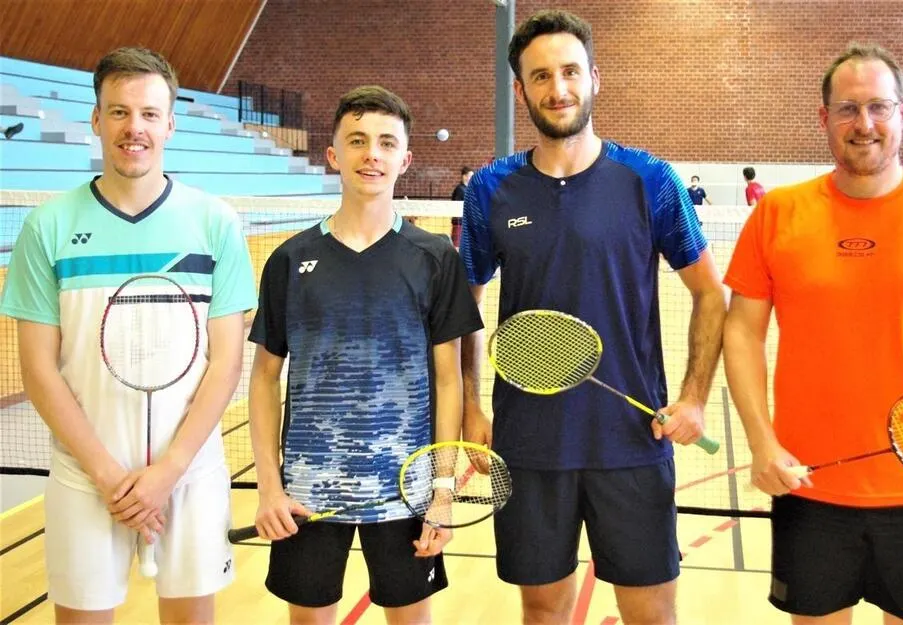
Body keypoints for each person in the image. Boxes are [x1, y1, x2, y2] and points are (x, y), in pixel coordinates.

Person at [723, 42, 903, 625]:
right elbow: (741, 333)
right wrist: (762, 440)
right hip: (810, 487)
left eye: (879, 108)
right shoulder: (778, 214)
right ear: (823, 118)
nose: (864, 124)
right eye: (847, 109)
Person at [459, 10, 726, 624]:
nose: (560, 89)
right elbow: (463, 308)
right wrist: (472, 405)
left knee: (652, 614)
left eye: (571, 71)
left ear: (595, 78)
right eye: (542, 76)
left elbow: (711, 295)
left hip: (632, 439)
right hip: (529, 442)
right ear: (521, 89)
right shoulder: (490, 189)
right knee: (544, 611)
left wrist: (692, 397)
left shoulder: (650, 180)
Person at [0, 47, 256, 624]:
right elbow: (39, 369)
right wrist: (110, 477)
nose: (133, 127)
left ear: (170, 123)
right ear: (96, 120)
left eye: (147, 113)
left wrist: (166, 474)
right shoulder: (48, 226)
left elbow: (226, 363)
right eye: (118, 112)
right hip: (86, 476)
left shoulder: (214, 222)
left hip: (189, 473)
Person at [247, 85, 483, 625]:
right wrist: (268, 487)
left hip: (407, 490)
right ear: (333, 155)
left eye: (385, 143)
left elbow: (449, 381)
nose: (370, 154)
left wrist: (442, 493)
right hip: (306, 493)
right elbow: (264, 379)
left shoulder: (435, 257)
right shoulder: (290, 260)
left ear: (406, 158)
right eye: (356, 141)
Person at [450, 166, 474, 247]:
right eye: (470, 176)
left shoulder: (467, 189)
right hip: (459, 223)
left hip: (464, 223)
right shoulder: (460, 189)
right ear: (464, 176)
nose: (471, 178)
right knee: (456, 246)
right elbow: (457, 206)